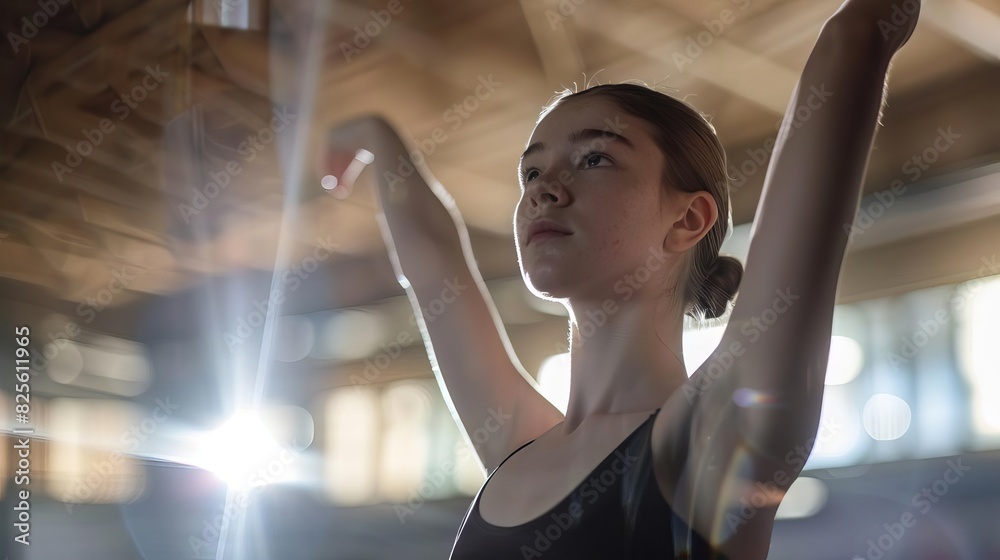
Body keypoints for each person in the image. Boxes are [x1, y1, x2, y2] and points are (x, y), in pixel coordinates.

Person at [324, 0, 920, 557]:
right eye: (531, 171)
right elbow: (432, 270)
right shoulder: (515, 445)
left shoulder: (717, 434)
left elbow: (850, 42)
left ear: (688, 218)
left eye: (594, 158)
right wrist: (376, 139)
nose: (543, 190)